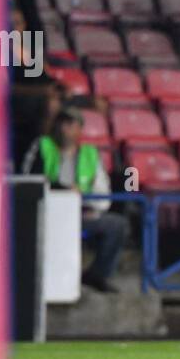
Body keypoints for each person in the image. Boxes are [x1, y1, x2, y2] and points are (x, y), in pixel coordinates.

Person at [21, 107, 126, 293]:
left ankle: (97, 275)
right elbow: (29, 180)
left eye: (71, 124)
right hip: (47, 212)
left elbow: (102, 192)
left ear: (80, 129)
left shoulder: (90, 154)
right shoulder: (42, 145)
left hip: (80, 212)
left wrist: (91, 206)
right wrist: (63, 190)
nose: (65, 128)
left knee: (117, 225)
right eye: (62, 122)